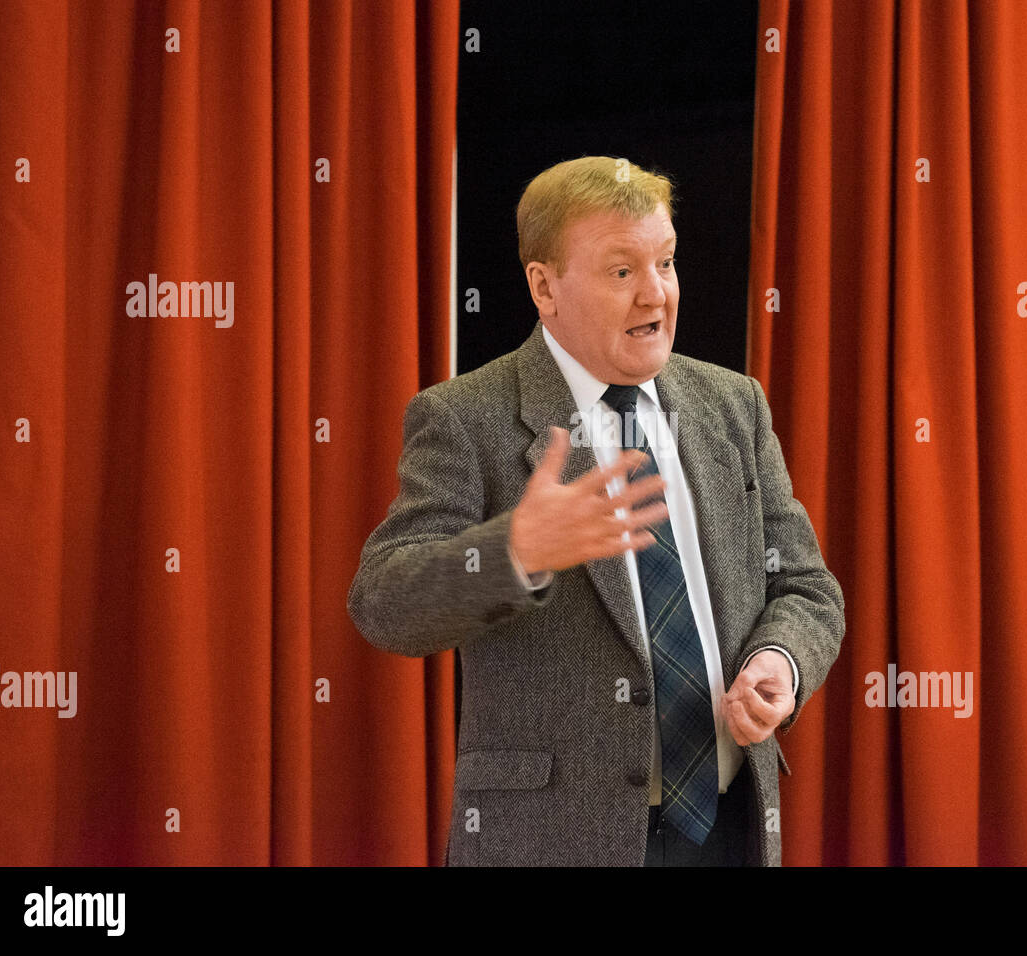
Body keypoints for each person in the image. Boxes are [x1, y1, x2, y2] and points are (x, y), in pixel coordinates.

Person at [347, 156, 845, 866]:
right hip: (554, 838)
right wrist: (515, 554)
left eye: (666, 263)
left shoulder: (734, 405)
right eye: (622, 272)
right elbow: (382, 603)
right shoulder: (466, 418)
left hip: (729, 831)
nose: (656, 295)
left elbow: (805, 585)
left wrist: (779, 660)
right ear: (544, 287)